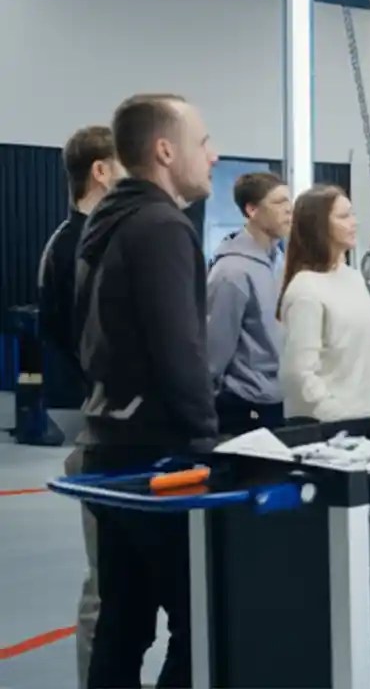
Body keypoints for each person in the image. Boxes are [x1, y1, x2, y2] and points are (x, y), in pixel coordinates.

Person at [73, 93, 220, 687]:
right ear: (165, 150)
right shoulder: (163, 226)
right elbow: (179, 349)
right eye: (203, 141)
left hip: (110, 444)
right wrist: (207, 440)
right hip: (161, 456)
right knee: (198, 624)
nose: (213, 154)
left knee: (125, 622)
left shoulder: (103, 226)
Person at [38, 124, 125, 689]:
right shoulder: (79, 246)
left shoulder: (75, 240)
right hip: (101, 428)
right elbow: (84, 343)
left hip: (98, 421)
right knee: (107, 581)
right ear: (100, 170)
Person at [278, 184, 370, 423]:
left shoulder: (352, 277)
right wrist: (334, 414)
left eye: (352, 214)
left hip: (368, 416)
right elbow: (299, 373)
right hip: (327, 426)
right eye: (343, 216)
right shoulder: (306, 288)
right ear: (319, 226)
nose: (354, 222)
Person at [206, 171, 292, 436]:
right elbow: (214, 355)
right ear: (252, 209)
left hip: (274, 402)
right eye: (278, 203)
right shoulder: (232, 272)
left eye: (289, 201)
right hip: (241, 408)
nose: (289, 210)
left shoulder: (276, 262)